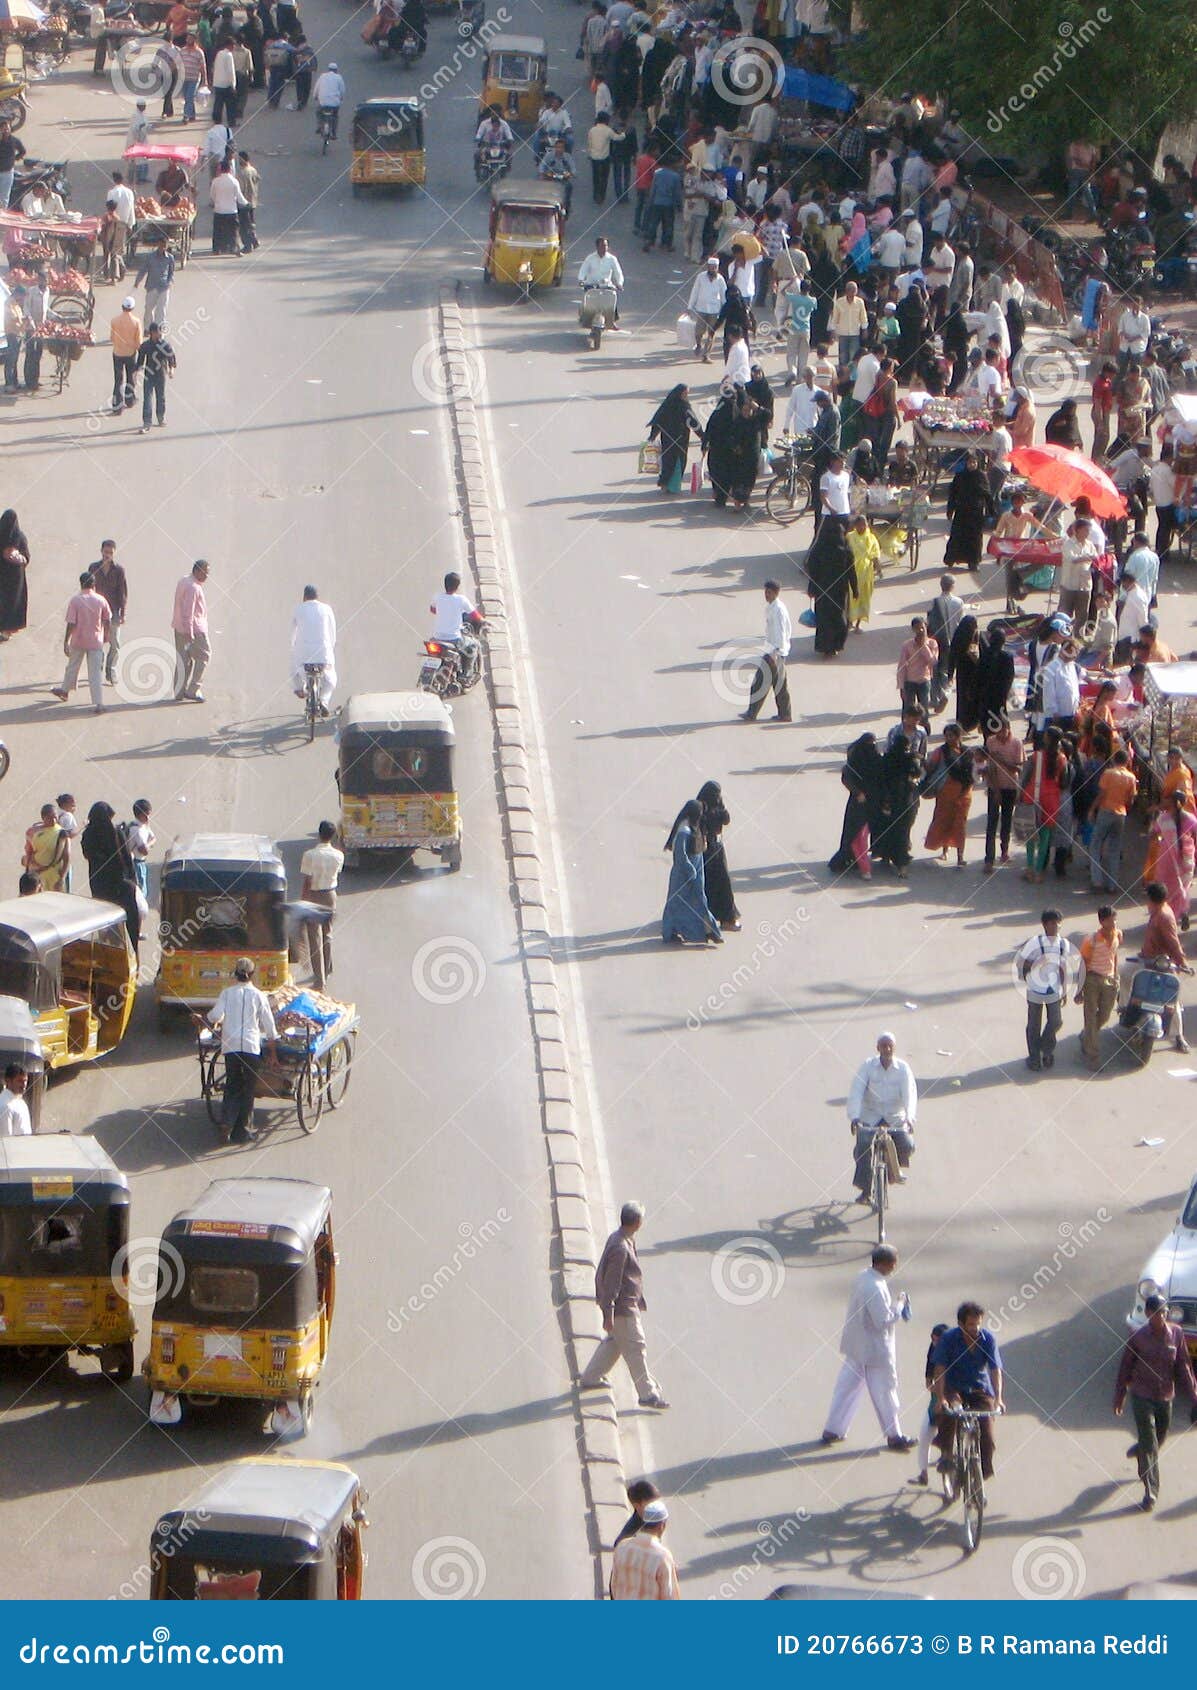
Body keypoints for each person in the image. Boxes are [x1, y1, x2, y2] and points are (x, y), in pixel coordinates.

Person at [821, 1244, 915, 1451]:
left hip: (857, 1346)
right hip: (875, 1351)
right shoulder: (876, 1287)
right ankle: (894, 1435)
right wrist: (899, 1304)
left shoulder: (862, 1277)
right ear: (886, 1263)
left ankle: (833, 1428)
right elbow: (883, 1319)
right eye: (894, 1263)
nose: (895, 1267)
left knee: (846, 1388)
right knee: (885, 1392)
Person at [579, 1201, 669, 1407]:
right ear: (637, 1222)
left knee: (615, 1343)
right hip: (623, 1309)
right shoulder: (620, 1248)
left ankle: (591, 1377)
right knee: (636, 1348)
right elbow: (612, 1283)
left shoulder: (620, 1237)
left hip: (625, 1306)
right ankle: (647, 1394)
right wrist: (608, 1314)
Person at [1114, 1293, 1197, 1513]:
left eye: (1164, 1312)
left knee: (1159, 1438)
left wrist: (1194, 1397)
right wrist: (1120, 1395)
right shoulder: (1138, 1337)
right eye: (1157, 1312)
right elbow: (1125, 1367)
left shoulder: (1176, 1334)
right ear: (1149, 1314)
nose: (1162, 1316)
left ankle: (1141, 1450)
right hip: (1142, 1395)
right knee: (1150, 1443)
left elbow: (1184, 1366)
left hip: (1165, 1397)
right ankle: (1151, 1490)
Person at [201, 957, 278, 1144]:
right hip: (251, 1048)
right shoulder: (259, 996)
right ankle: (241, 1131)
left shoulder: (227, 993)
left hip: (231, 1048)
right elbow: (270, 1027)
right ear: (252, 974)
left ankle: (226, 1122)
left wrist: (203, 1018)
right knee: (248, 1090)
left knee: (232, 1085)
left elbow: (215, 1016)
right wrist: (273, 1053)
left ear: (235, 974)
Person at [932, 1303, 1004, 1483]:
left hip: (980, 1388)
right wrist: (941, 1398)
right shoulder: (948, 1339)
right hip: (954, 1388)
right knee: (951, 1413)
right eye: (971, 1324)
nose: (976, 1328)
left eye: (978, 1324)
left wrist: (998, 1398)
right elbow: (939, 1369)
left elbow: (995, 1370)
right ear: (960, 1324)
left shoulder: (988, 1339)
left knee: (987, 1432)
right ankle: (947, 1454)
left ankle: (982, 1473)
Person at [847, 1033, 916, 1199]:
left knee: (907, 1145)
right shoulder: (867, 1066)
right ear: (878, 1048)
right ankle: (865, 1191)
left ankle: (893, 1169)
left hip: (894, 1117)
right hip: (871, 1116)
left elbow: (910, 1095)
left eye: (890, 1046)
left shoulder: (903, 1069)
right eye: (884, 1046)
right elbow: (856, 1092)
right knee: (863, 1146)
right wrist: (855, 1117)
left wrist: (910, 1118)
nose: (887, 1049)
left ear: (894, 1048)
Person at [1017, 907, 1074, 1071]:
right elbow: (1021, 961)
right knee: (1034, 1024)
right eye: (1052, 923)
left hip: (1053, 989)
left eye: (1058, 923)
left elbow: (1063, 967)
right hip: (1035, 988)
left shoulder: (1063, 944)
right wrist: (1037, 963)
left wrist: (1064, 989)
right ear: (1045, 925)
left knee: (1056, 1021)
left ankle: (1045, 1048)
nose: (1056, 926)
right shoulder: (1035, 943)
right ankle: (1035, 1058)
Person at [1141, 880, 1194, 1052]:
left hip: (1161, 965)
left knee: (1173, 1000)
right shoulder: (1156, 912)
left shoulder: (1164, 916)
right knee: (1126, 975)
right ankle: (1125, 1010)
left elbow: (1174, 943)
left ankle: (1178, 1036)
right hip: (1145, 960)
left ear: (1152, 900)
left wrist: (1183, 963)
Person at [80, 801, 140, 955]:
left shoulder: (88, 835)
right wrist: (133, 880)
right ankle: (131, 953)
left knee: (105, 920)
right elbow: (127, 858)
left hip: (99, 884)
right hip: (120, 883)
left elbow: (87, 855)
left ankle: (109, 953)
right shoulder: (116, 832)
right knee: (129, 918)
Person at [661, 799, 721, 945]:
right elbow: (680, 855)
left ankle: (709, 931)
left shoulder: (696, 829)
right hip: (682, 876)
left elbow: (701, 849)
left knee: (700, 901)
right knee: (676, 904)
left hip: (697, 873)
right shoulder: (684, 832)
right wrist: (690, 870)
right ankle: (670, 932)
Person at [51, 573, 110, 714]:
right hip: (95, 641)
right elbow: (107, 619)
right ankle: (99, 703)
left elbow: (71, 623)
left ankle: (65, 690)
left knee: (72, 667)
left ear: (81, 583)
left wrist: (66, 641)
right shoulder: (101, 600)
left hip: (78, 640)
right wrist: (106, 635)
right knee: (95, 673)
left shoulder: (75, 600)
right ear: (94, 585)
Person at [829, 733, 884, 879]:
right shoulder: (856, 762)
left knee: (859, 835)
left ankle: (855, 860)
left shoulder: (875, 760)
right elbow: (846, 777)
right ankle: (864, 868)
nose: (872, 748)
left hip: (869, 803)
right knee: (858, 836)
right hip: (860, 804)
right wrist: (858, 792)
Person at [296, 820, 343, 990]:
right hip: (330, 895)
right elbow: (337, 873)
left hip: (314, 896)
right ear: (333, 835)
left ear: (319, 834)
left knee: (314, 937)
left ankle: (319, 980)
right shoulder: (339, 855)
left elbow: (307, 881)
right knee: (327, 933)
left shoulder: (310, 855)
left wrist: (303, 900)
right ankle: (328, 969)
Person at [923, 723, 975, 867]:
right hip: (945, 792)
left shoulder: (967, 752)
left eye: (951, 736)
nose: (948, 738)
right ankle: (945, 849)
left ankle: (960, 856)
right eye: (946, 736)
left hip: (964, 792)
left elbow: (973, 772)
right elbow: (931, 768)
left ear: (958, 736)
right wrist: (923, 762)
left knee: (960, 824)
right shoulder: (940, 752)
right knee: (944, 820)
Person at [1076, 904, 1121, 1068]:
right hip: (1092, 980)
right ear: (1102, 922)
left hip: (1109, 980)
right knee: (1090, 1016)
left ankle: (1087, 1035)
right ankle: (1093, 1057)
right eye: (1110, 921)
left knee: (1104, 1015)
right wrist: (1079, 989)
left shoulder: (1118, 935)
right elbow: (1082, 964)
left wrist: (1116, 975)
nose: (1114, 924)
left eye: (1115, 920)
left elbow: (1114, 954)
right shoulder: (1091, 940)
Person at [805, 518, 856, 662]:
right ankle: (835, 646)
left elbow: (812, 569)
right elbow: (851, 571)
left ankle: (825, 647)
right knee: (839, 618)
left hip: (822, 590)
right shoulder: (845, 551)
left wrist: (811, 587)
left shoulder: (819, 550)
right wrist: (855, 588)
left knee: (824, 619)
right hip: (840, 592)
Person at [609, 1500, 679, 1599]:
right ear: (662, 1526)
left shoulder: (622, 1547)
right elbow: (669, 1597)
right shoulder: (663, 1557)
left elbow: (614, 1586)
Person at [1090, 747, 1137, 893]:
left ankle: (1097, 881)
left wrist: (1092, 809)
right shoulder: (1131, 777)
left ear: (1113, 760)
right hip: (1121, 812)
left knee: (1095, 845)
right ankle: (1112, 885)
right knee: (1114, 849)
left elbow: (1101, 794)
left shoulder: (1108, 773)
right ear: (1127, 761)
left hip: (1106, 810)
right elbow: (1131, 800)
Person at [693, 780, 739, 931]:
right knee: (716, 884)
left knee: (720, 883)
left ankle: (723, 917)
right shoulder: (701, 810)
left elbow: (726, 819)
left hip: (716, 849)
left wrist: (721, 808)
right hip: (707, 850)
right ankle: (723, 918)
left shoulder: (716, 807)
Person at [1147, 793, 1197, 930]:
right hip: (1186, 859)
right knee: (1183, 887)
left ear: (1172, 803)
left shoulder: (1163, 818)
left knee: (1166, 889)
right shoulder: (1191, 818)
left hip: (1167, 859)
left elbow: (1152, 834)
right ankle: (1183, 911)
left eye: (1166, 800)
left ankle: (1169, 918)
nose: (1163, 802)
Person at [980, 716, 1024, 870]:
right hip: (994, 787)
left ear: (1008, 729)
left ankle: (1004, 850)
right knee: (991, 823)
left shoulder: (1016, 743)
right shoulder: (991, 742)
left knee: (1006, 821)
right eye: (997, 731)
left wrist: (1001, 760)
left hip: (1010, 787)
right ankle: (989, 859)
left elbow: (1018, 768)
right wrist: (995, 789)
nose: (1000, 734)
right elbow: (990, 767)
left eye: (1003, 730)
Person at [290, 583, 337, 713]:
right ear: (317, 596)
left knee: (294, 670)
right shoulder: (326, 609)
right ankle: (324, 701)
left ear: (304, 597)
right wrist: (330, 648)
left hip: (303, 655)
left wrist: (293, 647)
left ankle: (300, 689)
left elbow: (292, 633)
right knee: (330, 680)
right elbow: (332, 632)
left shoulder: (298, 609)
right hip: (323, 654)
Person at [944, 453, 994, 572]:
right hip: (961, 511)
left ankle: (973, 562)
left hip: (976, 513)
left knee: (975, 539)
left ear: (977, 463)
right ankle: (951, 558)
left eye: (974, 462)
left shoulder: (981, 477)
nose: (972, 465)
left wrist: (991, 511)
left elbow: (988, 495)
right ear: (966, 464)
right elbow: (953, 494)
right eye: (969, 462)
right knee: (957, 536)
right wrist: (950, 510)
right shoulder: (960, 476)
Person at [429, 570, 481, 685]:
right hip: (454, 639)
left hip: (436, 638)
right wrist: (483, 622)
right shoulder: (461, 600)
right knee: (474, 645)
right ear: (457, 586)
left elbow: (433, 610)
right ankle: (466, 675)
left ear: (445, 584)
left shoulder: (437, 597)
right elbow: (475, 615)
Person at [647, 383, 701, 494]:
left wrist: (653, 435)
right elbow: (694, 423)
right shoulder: (684, 407)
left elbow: (658, 420)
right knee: (676, 463)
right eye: (685, 393)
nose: (686, 396)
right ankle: (672, 487)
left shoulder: (668, 404)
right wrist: (703, 436)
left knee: (668, 461)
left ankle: (665, 483)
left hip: (669, 439)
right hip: (679, 440)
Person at [88, 539, 127, 688]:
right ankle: (97, 671)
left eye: (110, 552)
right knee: (97, 643)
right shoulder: (93, 568)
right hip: (96, 611)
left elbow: (122, 593)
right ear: (101, 551)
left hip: (113, 611)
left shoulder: (119, 570)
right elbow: (88, 589)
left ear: (114, 553)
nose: (107, 555)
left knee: (115, 644)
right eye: (105, 552)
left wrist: (123, 613)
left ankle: (111, 671)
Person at [172, 558, 210, 703]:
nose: (207, 576)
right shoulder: (194, 587)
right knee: (204, 655)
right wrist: (190, 633)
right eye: (205, 573)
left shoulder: (184, 580)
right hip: (194, 630)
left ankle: (178, 692)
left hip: (179, 628)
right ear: (197, 571)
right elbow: (188, 612)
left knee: (183, 659)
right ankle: (193, 690)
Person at [926, 573, 963, 713]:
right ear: (952, 586)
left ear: (941, 585)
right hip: (953, 641)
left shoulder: (934, 602)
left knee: (934, 670)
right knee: (946, 670)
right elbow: (961, 622)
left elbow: (929, 622)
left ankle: (934, 698)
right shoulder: (959, 602)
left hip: (937, 641)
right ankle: (945, 693)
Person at [895, 617, 938, 725]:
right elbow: (902, 667)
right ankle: (905, 729)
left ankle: (923, 728)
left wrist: (923, 646)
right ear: (913, 630)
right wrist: (901, 686)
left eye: (922, 628)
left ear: (926, 627)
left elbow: (932, 661)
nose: (921, 631)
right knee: (908, 709)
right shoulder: (907, 645)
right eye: (917, 629)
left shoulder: (932, 644)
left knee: (923, 709)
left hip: (924, 681)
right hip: (910, 682)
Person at [136, 322, 176, 433]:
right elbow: (140, 361)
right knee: (147, 399)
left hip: (160, 375)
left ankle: (160, 417)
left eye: (160, 331)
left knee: (160, 397)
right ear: (152, 333)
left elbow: (171, 358)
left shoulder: (165, 345)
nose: (159, 334)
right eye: (157, 332)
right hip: (149, 375)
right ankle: (147, 423)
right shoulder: (145, 346)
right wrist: (136, 372)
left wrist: (171, 370)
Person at [976, 625, 1014, 739]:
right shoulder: (1007, 656)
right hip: (1000, 695)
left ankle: (988, 741)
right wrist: (1006, 691)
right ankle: (1003, 739)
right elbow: (1009, 676)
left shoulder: (985, 654)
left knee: (986, 718)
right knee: (1000, 717)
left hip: (985, 694)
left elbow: (979, 674)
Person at [0, 508, 29, 649]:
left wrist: (19, 557)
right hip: (5, 577)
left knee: (11, 604)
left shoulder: (19, 537)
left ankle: (6, 630)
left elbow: (26, 556)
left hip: (14, 580)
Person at [22, 803, 68, 891]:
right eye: (50, 818)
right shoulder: (32, 832)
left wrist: (62, 877)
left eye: (55, 817)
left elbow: (66, 856)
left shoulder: (61, 833)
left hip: (54, 874)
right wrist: (28, 872)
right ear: (43, 818)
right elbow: (29, 852)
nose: (53, 820)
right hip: (37, 873)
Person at [947, 613, 981, 733]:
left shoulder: (977, 636)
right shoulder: (959, 639)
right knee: (964, 700)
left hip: (975, 675)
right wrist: (950, 675)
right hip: (964, 675)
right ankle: (963, 725)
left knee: (974, 699)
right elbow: (952, 657)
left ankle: (975, 723)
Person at [134, 238, 175, 331]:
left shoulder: (170, 258)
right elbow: (143, 270)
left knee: (161, 310)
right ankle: (147, 328)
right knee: (148, 309)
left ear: (166, 247)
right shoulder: (150, 257)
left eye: (164, 246)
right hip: (151, 286)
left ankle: (159, 330)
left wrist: (169, 283)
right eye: (160, 246)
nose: (162, 248)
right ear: (158, 245)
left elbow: (171, 273)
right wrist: (137, 281)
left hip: (164, 287)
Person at [109, 297, 143, 414]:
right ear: (132, 308)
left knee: (118, 380)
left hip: (117, 353)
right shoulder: (136, 322)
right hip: (130, 354)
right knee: (130, 378)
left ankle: (117, 405)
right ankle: (129, 400)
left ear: (122, 307)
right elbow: (139, 342)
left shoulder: (114, 321)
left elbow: (112, 338)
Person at [846, 515, 879, 631]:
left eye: (864, 525)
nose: (862, 527)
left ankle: (858, 624)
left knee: (864, 597)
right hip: (852, 572)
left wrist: (878, 569)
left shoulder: (871, 538)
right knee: (851, 597)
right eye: (859, 525)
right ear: (855, 526)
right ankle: (849, 621)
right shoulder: (849, 537)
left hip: (866, 573)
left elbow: (875, 554)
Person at [210, 162, 247, 256]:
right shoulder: (234, 181)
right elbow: (239, 197)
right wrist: (246, 203)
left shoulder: (215, 181)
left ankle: (217, 249)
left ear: (220, 169)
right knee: (233, 232)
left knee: (218, 231)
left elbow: (212, 195)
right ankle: (233, 248)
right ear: (230, 169)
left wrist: (217, 202)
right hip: (231, 211)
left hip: (219, 210)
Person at [124, 798, 155, 903]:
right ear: (140, 814)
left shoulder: (144, 826)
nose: (148, 817)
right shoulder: (136, 829)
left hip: (141, 862)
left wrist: (147, 845)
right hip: (136, 864)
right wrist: (148, 846)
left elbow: (153, 838)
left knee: (143, 891)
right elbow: (144, 851)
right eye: (146, 815)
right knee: (140, 893)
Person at [236, 152, 260, 252]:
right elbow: (257, 180)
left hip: (244, 202)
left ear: (243, 160)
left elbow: (240, 189)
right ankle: (254, 240)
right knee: (251, 223)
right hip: (253, 200)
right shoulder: (253, 170)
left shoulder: (242, 173)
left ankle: (247, 245)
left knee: (244, 225)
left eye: (239, 159)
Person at [312, 61, 345, 136]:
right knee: (335, 116)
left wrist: (315, 96)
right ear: (336, 70)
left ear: (328, 69)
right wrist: (341, 98)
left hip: (323, 102)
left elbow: (317, 88)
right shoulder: (339, 77)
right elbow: (342, 90)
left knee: (318, 112)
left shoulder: (322, 76)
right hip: (335, 103)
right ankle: (334, 132)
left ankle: (319, 126)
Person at [0, 1065, 32, 1136]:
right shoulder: (4, 1105)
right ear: (8, 1081)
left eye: (25, 1081)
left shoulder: (20, 1102)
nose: (24, 1085)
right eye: (19, 1081)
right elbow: (5, 1138)